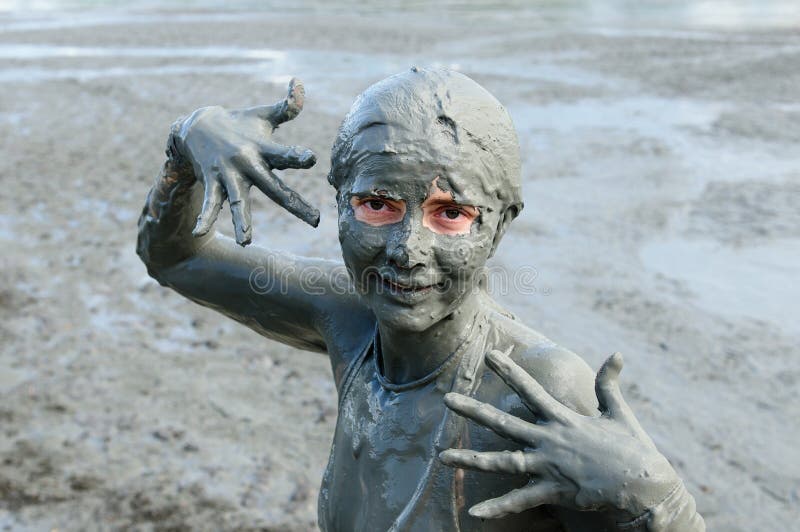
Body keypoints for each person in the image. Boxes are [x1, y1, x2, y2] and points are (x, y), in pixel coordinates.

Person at [137, 67, 705, 531]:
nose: (407, 251)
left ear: (499, 226)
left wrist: (660, 505)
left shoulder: (540, 390)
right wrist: (185, 145)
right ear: (340, 204)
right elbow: (175, 258)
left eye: (450, 213)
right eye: (377, 205)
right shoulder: (348, 315)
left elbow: (641, 505)